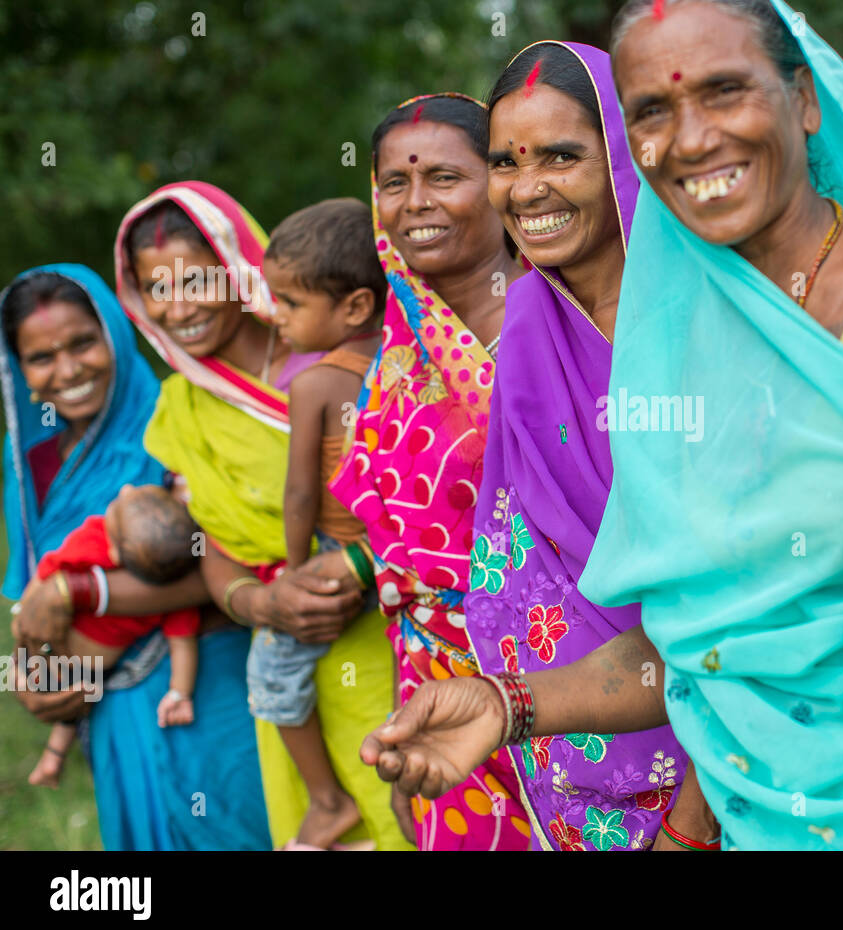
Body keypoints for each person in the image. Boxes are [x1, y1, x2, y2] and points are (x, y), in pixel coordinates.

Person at [361, 0, 843, 851]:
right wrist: (507, 703)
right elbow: (695, 642)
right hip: (757, 813)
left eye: (723, 91)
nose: (693, 136)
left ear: (807, 99)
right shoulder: (673, 339)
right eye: (653, 110)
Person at [114, 181, 408, 851]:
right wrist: (261, 599)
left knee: (410, 809)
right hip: (286, 673)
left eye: (196, 279)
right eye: (157, 288)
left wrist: (353, 568)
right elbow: (206, 544)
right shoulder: (178, 412)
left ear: (236, 267)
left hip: (389, 638)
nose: (178, 306)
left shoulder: (347, 357)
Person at [457, 40, 691, 851]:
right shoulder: (522, 331)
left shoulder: (704, 315)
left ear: (624, 155)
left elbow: (745, 603)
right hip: (578, 754)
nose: (528, 190)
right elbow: (528, 556)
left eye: (561, 156)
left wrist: (693, 823)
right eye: (505, 164)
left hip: (738, 751)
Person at [4, 263, 271, 850]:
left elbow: (226, 567)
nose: (68, 370)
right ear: (19, 371)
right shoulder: (30, 460)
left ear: (117, 338)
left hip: (205, 685)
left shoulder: (177, 421)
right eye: (42, 357)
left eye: (83, 343)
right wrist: (33, 678)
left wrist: (77, 593)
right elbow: (29, 593)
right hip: (112, 710)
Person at [329, 94, 533, 850]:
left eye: (445, 177)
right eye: (393, 183)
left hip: (567, 690)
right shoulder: (398, 349)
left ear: (501, 179)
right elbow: (400, 561)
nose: (415, 203)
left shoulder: (556, 329)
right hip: (433, 693)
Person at [222, 197, 383, 849]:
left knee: (270, 671)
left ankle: (326, 802)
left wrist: (295, 570)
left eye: (289, 303)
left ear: (353, 308)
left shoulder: (315, 385)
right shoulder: (408, 366)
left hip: (339, 552)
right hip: (399, 555)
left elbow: (298, 494)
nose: (276, 318)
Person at [27, 484, 203, 788]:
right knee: (77, 706)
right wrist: (180, 694)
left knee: (67, 706)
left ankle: (52, 758)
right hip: (99, 667)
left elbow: (48, 573)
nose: (125, 487)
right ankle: (53, 758)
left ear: (114, 551)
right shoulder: (171, 584)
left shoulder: (94, 538)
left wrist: (27, 615)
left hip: (58, 648)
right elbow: (183, 643)